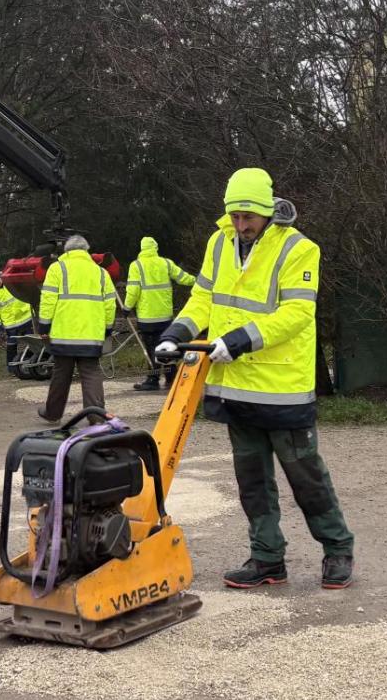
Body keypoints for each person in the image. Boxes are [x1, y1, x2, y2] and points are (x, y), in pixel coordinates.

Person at [155, 167, 355, 591]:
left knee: (306, 477)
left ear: (267, 212)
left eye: (248, 217)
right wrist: (176, 333)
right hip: (235, 386)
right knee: (252, 481)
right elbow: (203, 297)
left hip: (283, 388)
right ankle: (267, 558)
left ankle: (337, 549)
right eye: (235, 216)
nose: (241, 225)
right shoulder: (219, 242)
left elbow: (297, 314)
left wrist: (240, 340)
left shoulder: (299, 249)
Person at [35, 234, 116, 423]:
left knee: (61, 373)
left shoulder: (57, 268)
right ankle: (96, 417)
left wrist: (44, 326)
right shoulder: (100, 272)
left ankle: (52, 413)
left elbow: (48, 300)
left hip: (63, 334)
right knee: (91, 373)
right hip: (91, 335)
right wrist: (107, 328)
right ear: (86, 250)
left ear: (67, 251)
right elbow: (110, 303)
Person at [124, 236, 195, 392]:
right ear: (155, 248)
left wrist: (127, 307)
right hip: (165, 315)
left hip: (147, 317)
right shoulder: (166, 263)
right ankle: (171, 377)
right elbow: (183, 278)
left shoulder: (136, 265)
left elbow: (133, 290)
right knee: (167, 346)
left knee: (151, 348)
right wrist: (199, 282)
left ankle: (153, 379)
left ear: (141, 249)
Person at [0, 270, 33, 373]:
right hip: (10, 323)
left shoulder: (10, 282)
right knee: (11, 345)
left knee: (33, 343)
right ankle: (12, 369)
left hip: (26, 317)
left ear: (1, 277)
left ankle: (32, 362)